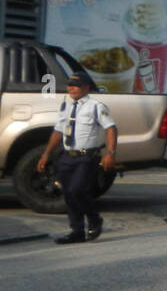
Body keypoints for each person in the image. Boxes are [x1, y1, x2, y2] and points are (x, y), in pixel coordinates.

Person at [37, 73, 118, 243]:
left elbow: (111, 128)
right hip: (67, 156)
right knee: (67, 193)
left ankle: (94, 219)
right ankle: (77, 230)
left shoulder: (95, 106)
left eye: (76, 85)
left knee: (77, 190)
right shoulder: (66, 105)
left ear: (87, 87)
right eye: (70, 85)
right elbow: (58, 131)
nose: (71, 88)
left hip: (85, 157)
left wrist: (110, 153)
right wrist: (46, 154)